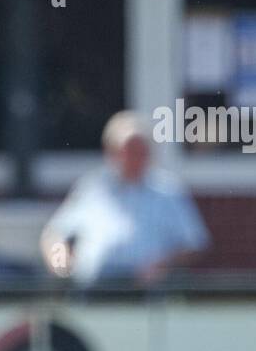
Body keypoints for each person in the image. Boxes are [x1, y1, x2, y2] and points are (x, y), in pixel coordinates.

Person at [40, 110, 209, 286]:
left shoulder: (168, 190)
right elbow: (54, 234)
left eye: (140, 150)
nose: (134, 157)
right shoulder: (92, 187)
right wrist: (61, 265)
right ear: (111, 152)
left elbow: (194, 244)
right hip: (93, 290)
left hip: (146, 293)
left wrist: (163, 264)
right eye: (127, 150)